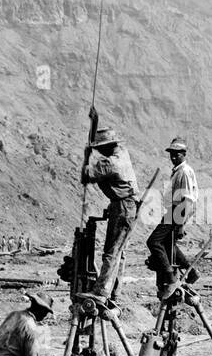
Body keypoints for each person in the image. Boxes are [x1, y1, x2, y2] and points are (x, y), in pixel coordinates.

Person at [81, 126, 139, 302]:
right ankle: (114, 291)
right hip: (126, 204)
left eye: (100, 149)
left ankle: (101, 291)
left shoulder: (110, 163)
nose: (99, 152)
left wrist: (87, 155)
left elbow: (86, 176)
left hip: (123, 206)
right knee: (119, 251)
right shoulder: (123, 153)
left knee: (112, 251)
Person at [146, 138, 198, 302]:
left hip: (178, 210)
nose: (174, 157)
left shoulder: (184, 172)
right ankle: (191, 271)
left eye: (177, 154)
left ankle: (171, 279)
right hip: (175, 210)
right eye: (172, 154)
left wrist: (181, 224)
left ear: (184, 154)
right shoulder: (178, 171)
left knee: (154, 242)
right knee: (167, 244)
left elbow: (187, 200)